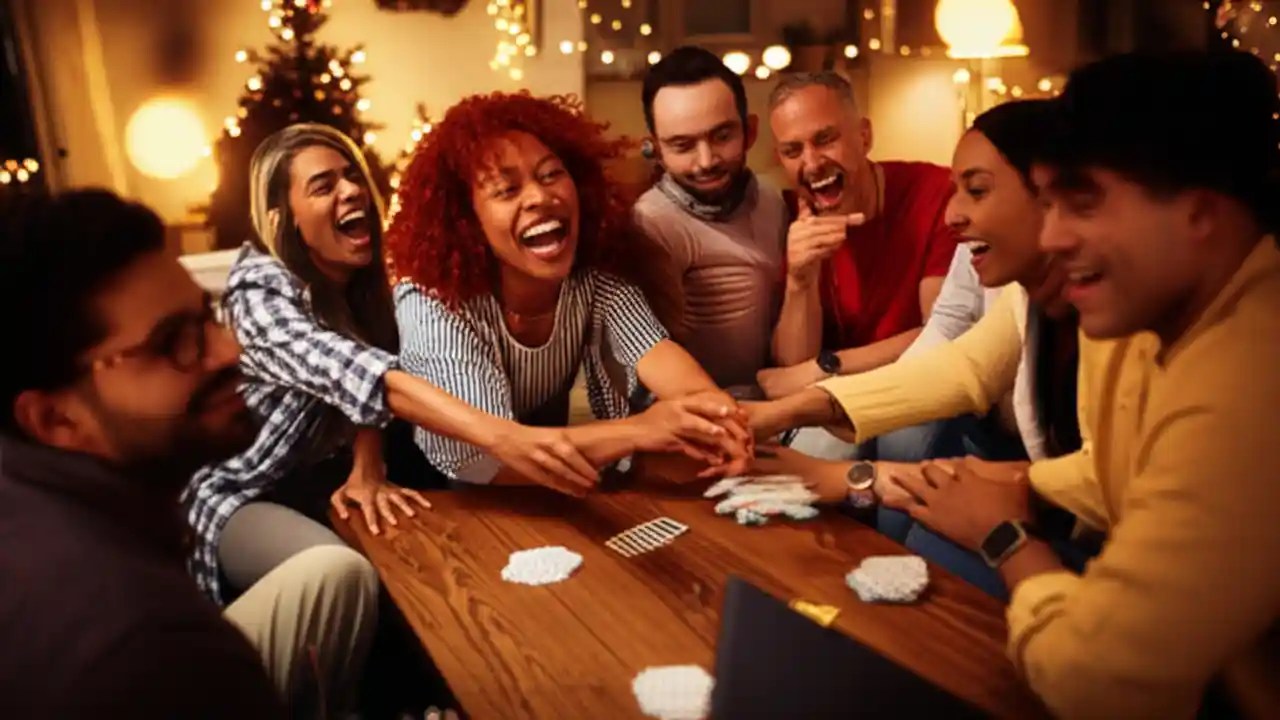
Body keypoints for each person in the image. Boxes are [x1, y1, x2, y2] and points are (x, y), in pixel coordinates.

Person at [820, 52, 1280, 717]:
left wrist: (1006, 537)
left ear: (1200, 213)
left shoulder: (1248, 380)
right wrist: (1020, 487)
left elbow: (1102, 684)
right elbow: (1127, 471)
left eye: (1083, 204)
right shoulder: (1170, 314)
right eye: (1049, 201)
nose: (1054, 235)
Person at [0, 189, 366, 716]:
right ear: (55, 419)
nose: (230, 350)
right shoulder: (153, 650)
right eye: (174, 341)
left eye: (207, 316)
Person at [747, 100, 1083, 597]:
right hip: (1046, 496)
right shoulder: (1022, 296)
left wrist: (861, 478)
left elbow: (1108, 482)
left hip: (1109, 549)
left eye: (977, 191)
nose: (953, 214)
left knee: (929, 527)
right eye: (792, 149)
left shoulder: (1125, 314)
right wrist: (774, 416)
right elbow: (957, 366)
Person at [387, 92, 752, 485]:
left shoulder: (594, 284)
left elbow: (671, 370)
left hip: (546, 486)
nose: (541, 197)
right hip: (431, 494)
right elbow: (481, 461)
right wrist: (640, 431)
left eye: (550, 175)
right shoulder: (432, 301)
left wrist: (718, 426)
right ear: (466, 220)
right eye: (507, 191)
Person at [758, 71, 958, 409]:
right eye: (793, 150)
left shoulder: (936, 192)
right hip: (828, 406)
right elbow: (790, 372)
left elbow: (942, 334)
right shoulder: (785, 214)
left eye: (825, 139)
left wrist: (826, 367)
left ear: (864, 136)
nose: (812, 162)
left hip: (915, 388)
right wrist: (800, 280)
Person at [632, 46, 788, 390]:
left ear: (750, 131)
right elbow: (643, 370)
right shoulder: (652, 223)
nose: (706, 161)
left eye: (722, 136)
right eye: (682, 145)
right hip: (702, 416)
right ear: (655, 150)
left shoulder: (771, 198)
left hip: (778, 392)